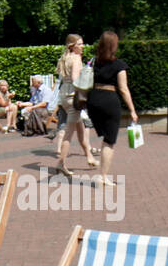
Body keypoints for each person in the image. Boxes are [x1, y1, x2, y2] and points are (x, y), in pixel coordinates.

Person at [81, 31, 136, 184]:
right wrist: (132, 109)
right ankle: (103, 176)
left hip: (93, 100)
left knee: (102, 134)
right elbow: (123, 89)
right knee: (109, 140)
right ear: (114, 46)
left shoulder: (93, 62)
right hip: (110, 101)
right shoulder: (119, 65)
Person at [52, 34, 98, 173]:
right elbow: (75, 79)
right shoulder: (76, 58)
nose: (82, 47)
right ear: (72, 46)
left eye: (82, 44)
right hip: (73, 97)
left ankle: (90, 157)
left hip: (64, 96)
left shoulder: (64, 58)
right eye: (79, 44)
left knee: (81, 130)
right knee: (68, 134)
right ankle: (61, 163)